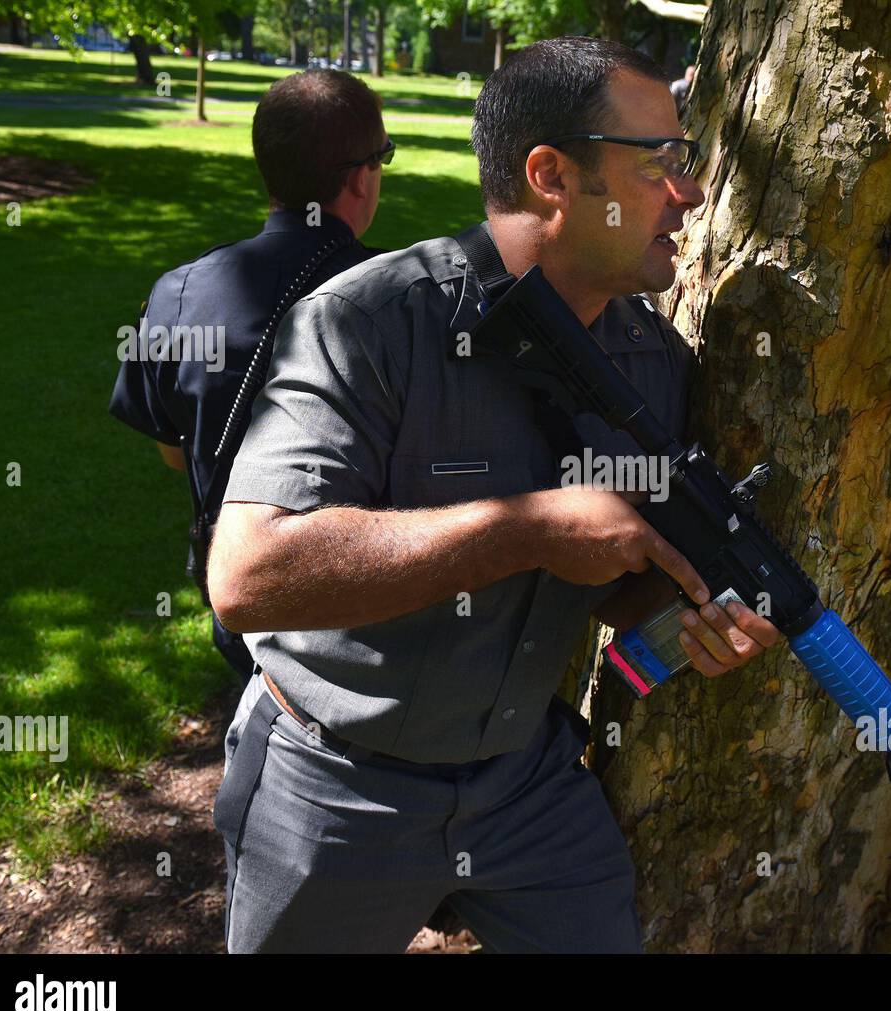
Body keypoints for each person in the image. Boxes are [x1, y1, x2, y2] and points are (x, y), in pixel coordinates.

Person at [206, 35, 782, 954]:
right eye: (662, 161)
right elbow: (248, 576)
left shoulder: (654, 362)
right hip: (333, 785)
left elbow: (618, 581)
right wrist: (524, 530)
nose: (691, 191)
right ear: (552, 174)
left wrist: (690, 616)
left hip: (528, 788)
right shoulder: (367, 322)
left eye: (690, 159)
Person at [108, 69, 390, 683]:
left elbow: (174, 455)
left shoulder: (176, 293)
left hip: (241, 608)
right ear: (361, 176)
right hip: (366, 616)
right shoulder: (399, 302)